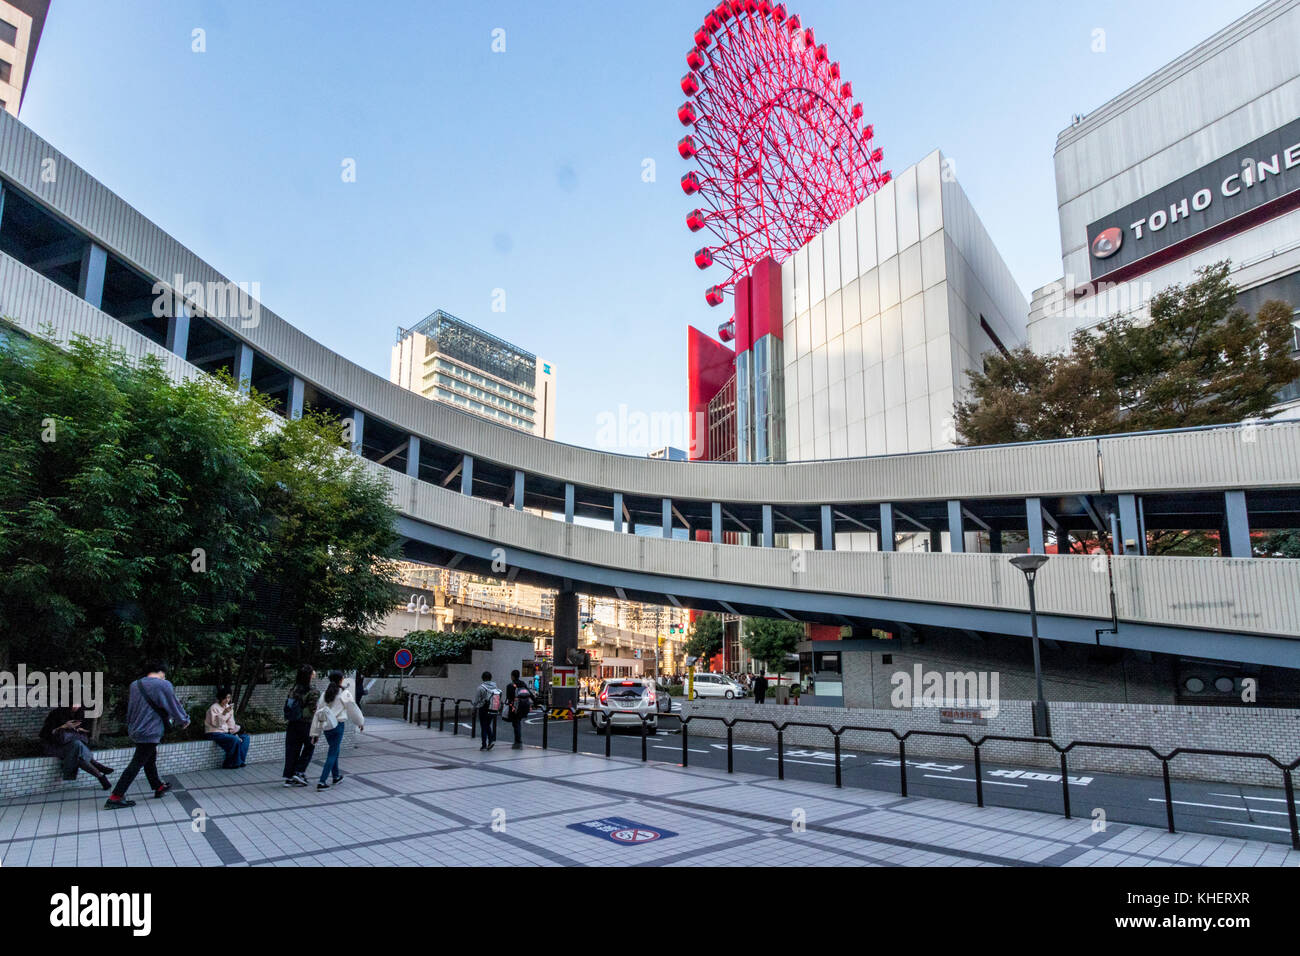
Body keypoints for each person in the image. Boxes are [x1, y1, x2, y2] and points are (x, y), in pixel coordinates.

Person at [104, 661, 191, 810]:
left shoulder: (135, 685)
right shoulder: (163, 685)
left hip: (136, 728)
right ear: (160, 671)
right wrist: (184, 720)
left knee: (149, 758)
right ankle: (115, 796)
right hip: (151, 730)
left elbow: (131, 708)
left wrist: (131, 726)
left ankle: (158, 786)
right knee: (137, 763)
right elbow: (173, 704)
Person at [309, 670, 364, 791]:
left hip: (326, 727)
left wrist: (315, 733)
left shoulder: (325, 694)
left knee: (335, 750)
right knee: (333, 753)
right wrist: (360, 722)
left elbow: (318, 714)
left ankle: (336, 776)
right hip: (338, 726)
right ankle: (322, 782)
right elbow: (353, 709)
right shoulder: (344, 693)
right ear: (340, 680)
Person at [40, 705, 113, 790]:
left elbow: (87, 732)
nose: (76, 707)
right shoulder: (56, 713)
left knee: (78, 752)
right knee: (77, 747)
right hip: (53, 746)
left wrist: (79, 729)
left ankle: (101, 778)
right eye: (74, 704)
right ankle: (98, 768)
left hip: (70, 747)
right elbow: (48, 733)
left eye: (78, 705)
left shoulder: (79, 714)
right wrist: (63, 726)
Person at [282, 665, 316, 788]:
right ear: (310, 675)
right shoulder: (313, 691)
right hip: (306, 724)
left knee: (292, 750)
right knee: (310, 746)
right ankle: (299, 771)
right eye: (313, 671)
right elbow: (314, 709)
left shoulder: (293, 690)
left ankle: (288, 777)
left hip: (292, 723)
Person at [204, 687, 251, 769]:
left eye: (228, 697)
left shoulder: (229, 707)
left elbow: (231, 724)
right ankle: (228, 763)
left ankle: (240, 761)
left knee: (245, 738)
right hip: (214, 732)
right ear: (220, 698)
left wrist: (234, 733)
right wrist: (224, 713)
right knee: (234, 740)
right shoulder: (214, 708)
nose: (227, 700)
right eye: (225, 698)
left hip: (225, 732)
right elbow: (216, 724)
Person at [473, 671, 502, 751]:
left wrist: (474, 708)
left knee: (483, 726)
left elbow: (476, 700)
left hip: (483, 709)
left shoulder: (481, 688)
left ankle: (484, 745)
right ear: (490, 678)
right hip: (493, 709)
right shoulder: (495, 687)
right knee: (487, 725)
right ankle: (490, 741)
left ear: (483, 678)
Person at [505, 669, 533, 749]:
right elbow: (529, 693)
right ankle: (517, 741)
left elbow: (509, 698)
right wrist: (535, 701)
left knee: (516, 724)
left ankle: (518, 742)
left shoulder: (510, 685)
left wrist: (509, 706)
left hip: (514, 707)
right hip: (523, 706)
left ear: (512, 676)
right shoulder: (523, 683)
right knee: (517, 723)